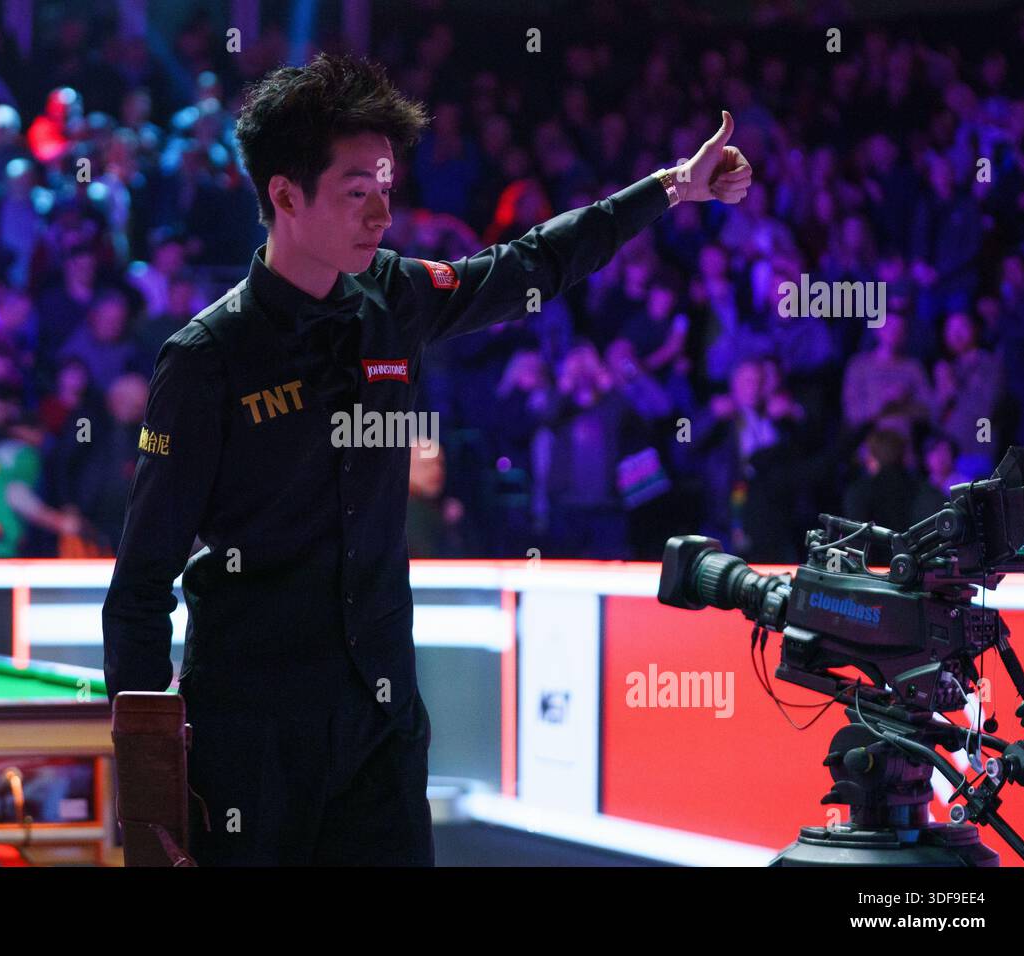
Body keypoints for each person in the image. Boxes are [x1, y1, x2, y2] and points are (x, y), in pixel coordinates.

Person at [101, 53, 751, 866]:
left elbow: (528, 267)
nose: (381, 214)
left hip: (382, 723)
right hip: (249, 736)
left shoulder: (397, 296)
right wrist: (152, 787)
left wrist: (666, 189)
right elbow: (138, 586)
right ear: (284, 196)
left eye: (386, 190)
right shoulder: (205, 359)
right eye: (356, 192)